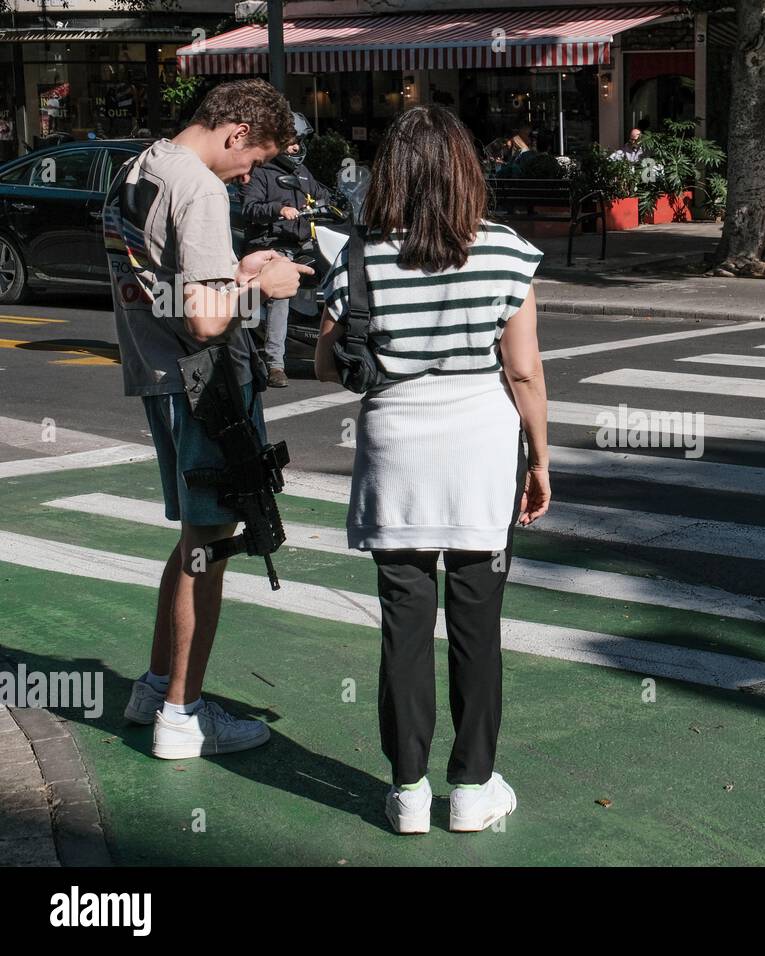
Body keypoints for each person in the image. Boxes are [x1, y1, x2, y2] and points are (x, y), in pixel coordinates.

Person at [314, 104, 551, 835]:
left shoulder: (359, 255)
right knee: (480, 627)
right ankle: (473, 787)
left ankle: (408, 790)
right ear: (465, 172)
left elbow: (327, 362)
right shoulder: (507, 251)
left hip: (397, 448)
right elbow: (523, 372)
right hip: (481, 446)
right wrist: (540, 459)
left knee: (403, 628)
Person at [104, 78, 311, 759]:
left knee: (195, 536)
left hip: (161, 376)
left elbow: (171, 280)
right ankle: (181, 715)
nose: (251, 172)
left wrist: (230, 268)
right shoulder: (198, 188)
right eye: (254, 157)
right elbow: (208, 316)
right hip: (204, 385)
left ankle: (158, 684)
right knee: (210, 548)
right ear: (234, 132)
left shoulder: (142, 167)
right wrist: (262, 281)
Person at [241, 111, 333, 387]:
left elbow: (322, 195)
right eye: (290, 142)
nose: (295, 148)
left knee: (339, 276)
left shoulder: (301, 173)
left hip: (304, 245)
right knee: (281, 294)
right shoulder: (261, 173)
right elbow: (249, 208)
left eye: (298, 142)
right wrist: (278, 209)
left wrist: (340, 201)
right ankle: (275, 364)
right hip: (272, 247)